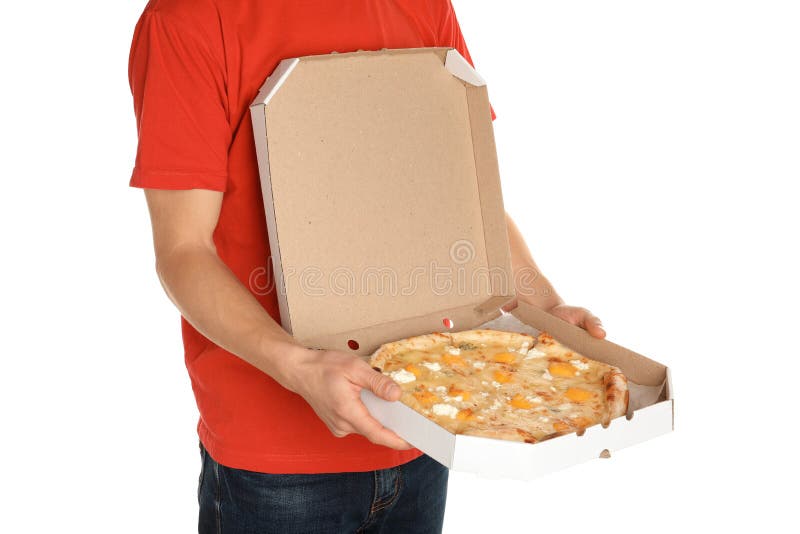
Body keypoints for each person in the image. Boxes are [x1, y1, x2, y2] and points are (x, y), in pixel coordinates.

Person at [128, 1, 607, 532]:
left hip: (424, 423)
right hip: (276, 459)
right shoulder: (189, 18)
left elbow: (462, 202)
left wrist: (546, 307)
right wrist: (300, 367)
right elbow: (183, 251)